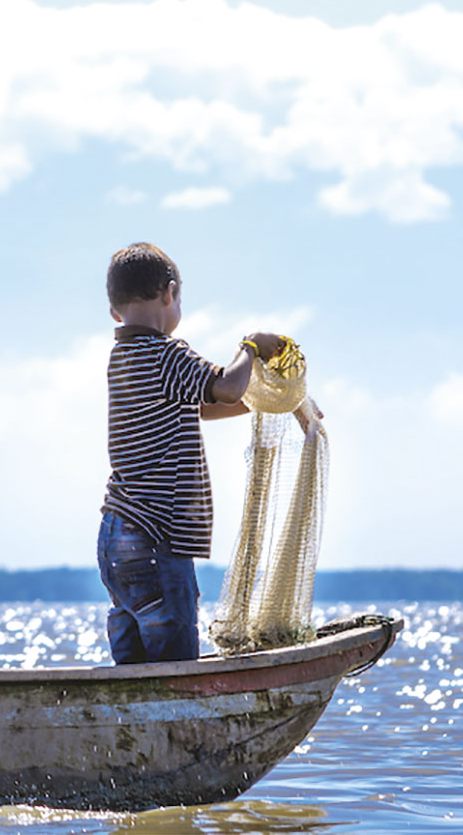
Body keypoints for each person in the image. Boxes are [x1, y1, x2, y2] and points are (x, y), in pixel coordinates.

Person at [98, 241, 306, 664]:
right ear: (170, 293)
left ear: (115, 312)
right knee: (174, 664)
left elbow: (207, 406)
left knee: (135, 668)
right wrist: (251, 347)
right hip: (157, 540)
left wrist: (273, 398)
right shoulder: (166, 352)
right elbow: (227, 385)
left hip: (116, 537)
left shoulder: (123, 357)